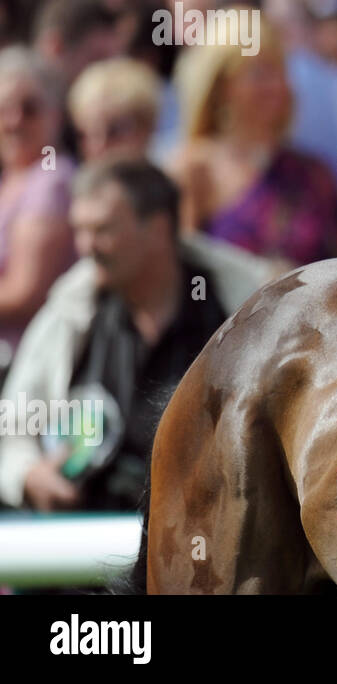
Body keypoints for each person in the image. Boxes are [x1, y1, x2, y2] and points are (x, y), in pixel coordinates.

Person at [0, 157, 273, 511]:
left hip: (211, 534)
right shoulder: (72, 312)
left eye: (103, 230)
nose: (86, 247)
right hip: (84, 539)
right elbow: (13, 423)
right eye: (79, 230)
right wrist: (28, 474)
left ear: (158, 229)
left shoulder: (236, 307)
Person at [170, 13, 337, 268]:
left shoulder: (315, 174)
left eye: (280, 71)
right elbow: (180, 269)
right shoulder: (194, 169)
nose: (275, 85)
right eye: (259, 73)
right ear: (221, 85)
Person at [0, 48, 78, 369]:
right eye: (4, 109)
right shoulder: (12, 180)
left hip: (25, 370)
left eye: (29, 109)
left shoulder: (51, 180)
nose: (15, 121)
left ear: (55, 115)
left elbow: (26, 294)